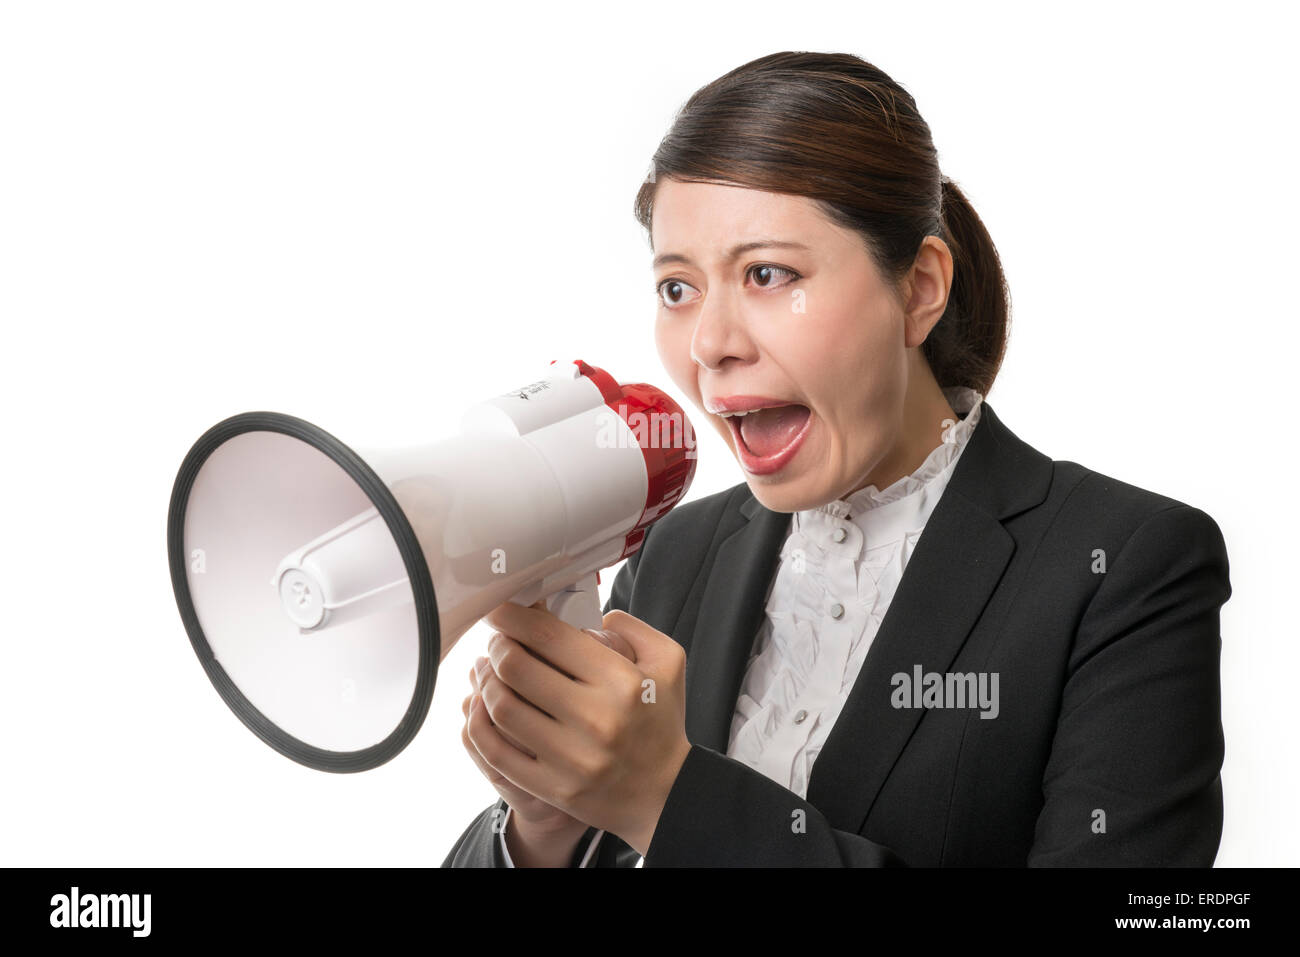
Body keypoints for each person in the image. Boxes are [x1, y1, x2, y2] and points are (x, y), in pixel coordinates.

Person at [442, 51, 1231, 867]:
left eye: (769, 273)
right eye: (678, 287)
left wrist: (665, 798)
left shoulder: (1129, 566)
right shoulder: (675, 554)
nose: (709, 344)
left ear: (921, 287)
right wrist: (542, 825)